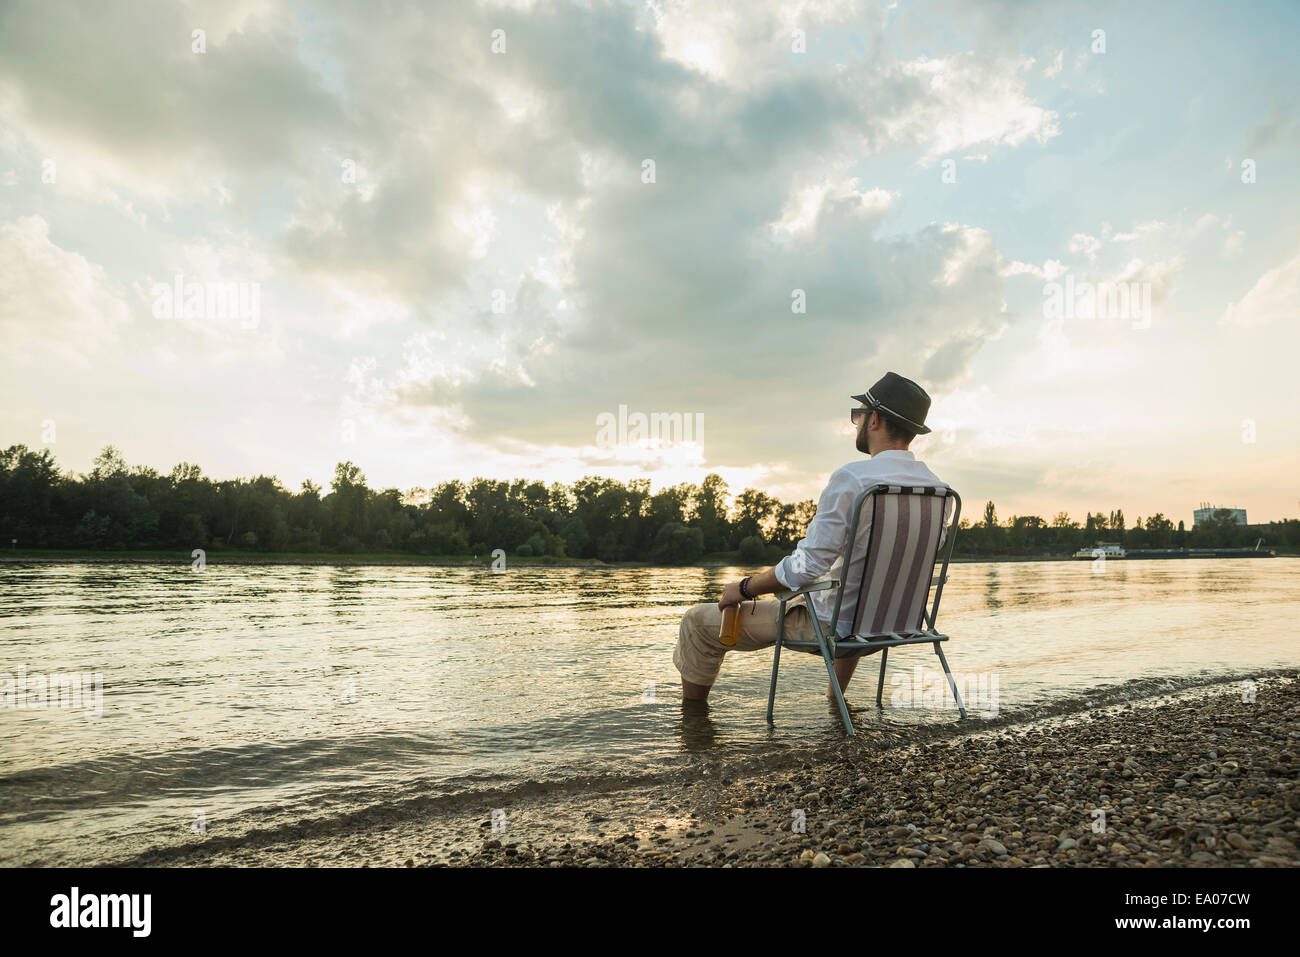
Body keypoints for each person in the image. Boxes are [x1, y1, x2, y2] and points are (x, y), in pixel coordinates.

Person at [673, 372, 949, 703]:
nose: (856, 423)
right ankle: (837, 705)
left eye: (857, 415)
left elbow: (807, 566)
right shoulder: (939, 491)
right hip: (895, 625)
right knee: (845, 594)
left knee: (696, 623)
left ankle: (692, 727)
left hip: (837, 628)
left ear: (874, 419)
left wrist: (743, 588)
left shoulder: (852, 479)